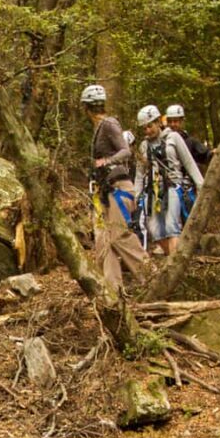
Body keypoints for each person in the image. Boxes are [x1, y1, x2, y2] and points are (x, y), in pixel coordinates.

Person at [80, 85, 148, 293]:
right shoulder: (98, 128)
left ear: (86, 108)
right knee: (103, 243)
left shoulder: (109, 123)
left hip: (118, 188)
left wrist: (106, 161)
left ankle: (149, 275)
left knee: (119, 236)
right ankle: (113, 291)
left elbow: (125, 151)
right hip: (104, 193)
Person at [135, 105, 204, 256]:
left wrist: (200, 184)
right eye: (144, 128)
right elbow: (140, 174)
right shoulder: (144, 146)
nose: (147, 130)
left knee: (171, 226)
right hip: (152, 191)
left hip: (173, 186)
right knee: (155, 230)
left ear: (158, 122)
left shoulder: (173, 138)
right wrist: (136, 196)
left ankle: (174, 268)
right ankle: (174, 259)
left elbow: (188, 162)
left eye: (150, 126)